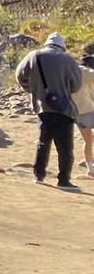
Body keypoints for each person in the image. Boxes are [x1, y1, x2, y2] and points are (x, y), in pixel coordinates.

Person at [15, 32, 86, 190]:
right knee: (65, 147)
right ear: (62, 46)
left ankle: (38, 175)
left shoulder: (34, 55)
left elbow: (19, 75)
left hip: (42, 107)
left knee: (43, 143)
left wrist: (34, 90)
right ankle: (64, 180)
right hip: (63, 108)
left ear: (47, 43)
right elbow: (77, 85)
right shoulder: (67, 59)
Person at [75, 53, 94, 179]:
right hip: (88, 110)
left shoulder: (72, 73)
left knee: (88, 141)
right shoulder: (86, 74)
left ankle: (90, 168)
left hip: (77, 112)